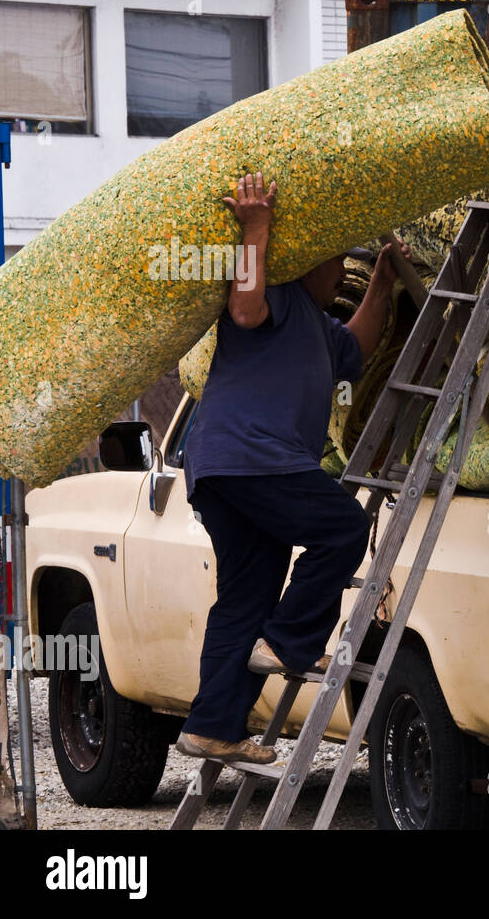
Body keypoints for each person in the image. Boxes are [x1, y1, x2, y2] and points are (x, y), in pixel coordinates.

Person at [175, 171, 407, 764]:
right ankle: (290, 643)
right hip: (253, 461)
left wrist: (381, 280)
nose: (341, 275)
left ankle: (212, 726)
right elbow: (244, 308)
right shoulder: (277, 295)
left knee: (244, 598)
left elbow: (359, 346)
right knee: (345, 528)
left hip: (224, 473)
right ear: (306, 264)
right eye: (336, 264)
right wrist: (257, 228)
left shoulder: (321, 330)